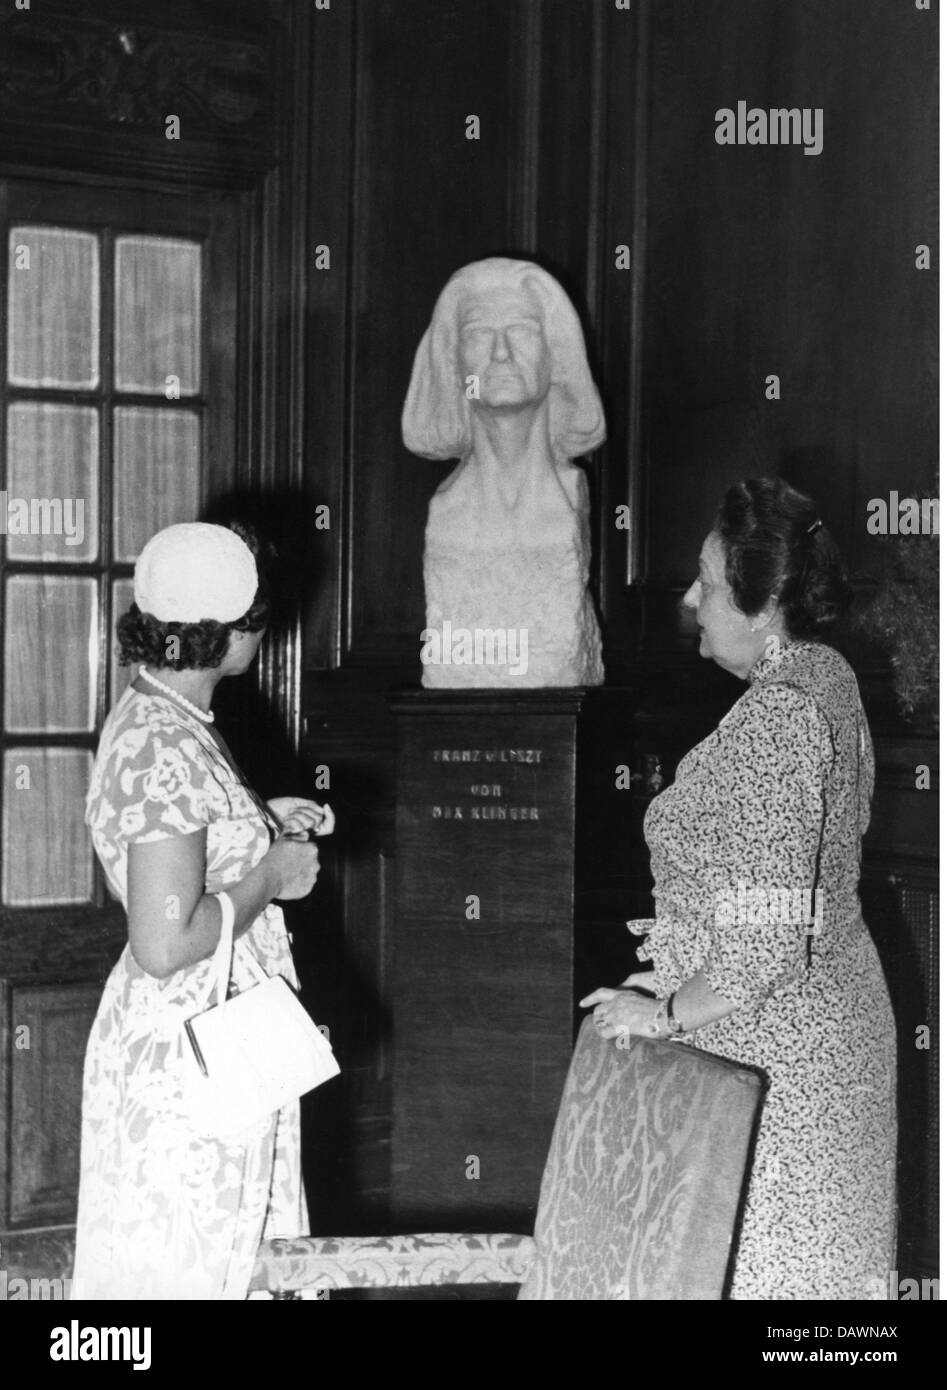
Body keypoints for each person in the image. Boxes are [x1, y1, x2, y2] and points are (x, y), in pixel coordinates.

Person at [581, 477, 897, 1301]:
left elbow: (764, 944)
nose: (690, 599)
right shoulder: (825, 676)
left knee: (773, 1285)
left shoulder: (775, 720)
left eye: (710, 586)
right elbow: (779, 887)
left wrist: (661, 1014)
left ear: (761, 608)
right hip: (818, 1026)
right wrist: (680, 959)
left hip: (780, 1055)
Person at [72, 521, 332, 1300]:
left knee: (227, 1258)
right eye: (259, 619)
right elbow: (163, 940)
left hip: (213, 1036)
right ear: (226, 632)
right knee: (194, 1270)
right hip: (194, 1052)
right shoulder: (161, 743)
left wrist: (254, 820)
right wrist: (272, 876)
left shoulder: (167, 717)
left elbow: (181, 842)